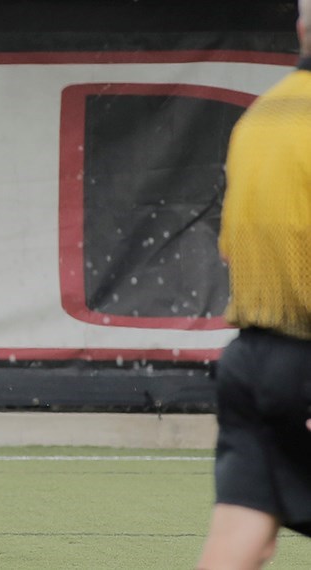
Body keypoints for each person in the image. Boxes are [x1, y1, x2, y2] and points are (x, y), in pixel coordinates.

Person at [196, 2, 311, 567]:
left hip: (252, 363)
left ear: (301, 27)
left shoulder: (259, 117)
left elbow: (230, 245)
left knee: (240, 539)